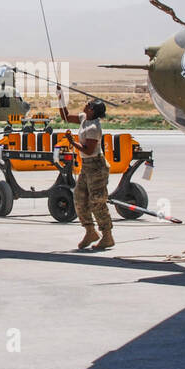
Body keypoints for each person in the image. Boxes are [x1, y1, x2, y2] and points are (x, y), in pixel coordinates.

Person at [59, 93, 112, 251]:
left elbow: (88, 151)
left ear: (92, 110)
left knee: (97, 201)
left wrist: (71, 142)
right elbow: (66, 117)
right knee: (79, 198)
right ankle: (90, 231)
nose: (85, 105)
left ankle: (107, 236)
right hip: (87, 167)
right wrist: (60, 98)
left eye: (88, 105)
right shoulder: (84, 118)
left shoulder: (93, 128)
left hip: (96, 166)